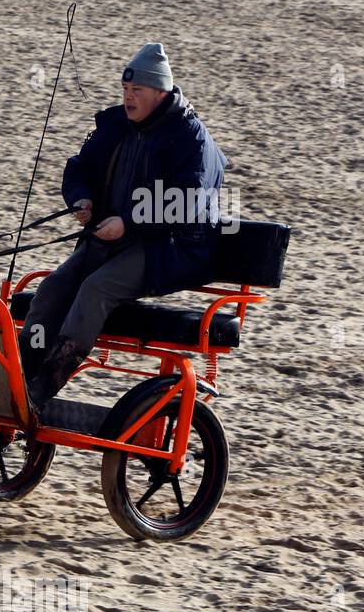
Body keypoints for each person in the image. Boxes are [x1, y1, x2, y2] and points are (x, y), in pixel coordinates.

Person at [18, 42, 226, 411]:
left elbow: (185, 201)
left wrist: (127, 223)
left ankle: (43, 388)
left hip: (167, 249)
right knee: (51, 289)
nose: (128, 98)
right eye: (125, 90)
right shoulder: (116, 124)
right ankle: (20, 374)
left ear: (160, 93)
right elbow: (79, 168)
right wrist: (82, 198)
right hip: (109, 241)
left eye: (137, 91)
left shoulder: (191, 137)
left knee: (95, 290)